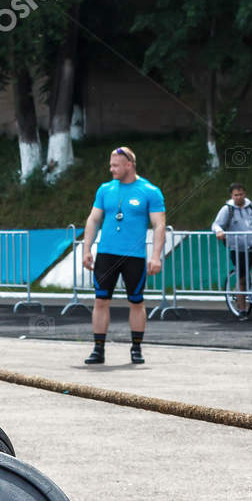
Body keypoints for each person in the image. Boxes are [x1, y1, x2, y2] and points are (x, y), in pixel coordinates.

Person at [79, 146, 165, 365]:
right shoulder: (105, 189)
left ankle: (136, 348)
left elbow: (159, 225)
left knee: (136, 302)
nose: (111, 169)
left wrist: (156, 256)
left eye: (115, 165)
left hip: (134, 256)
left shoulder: (150, 191)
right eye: (110, 165)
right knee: (100, 300)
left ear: (129, 165)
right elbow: (93, 219)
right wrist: (87, 248)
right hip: (106, 253)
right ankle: (98, 349)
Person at [211, 182, 252, 299]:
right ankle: (242, 310)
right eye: (236, 195)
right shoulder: (227, 209)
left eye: (241, 194)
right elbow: (216, 224)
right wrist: (218, 231)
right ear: (231, 196)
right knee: (242, 280)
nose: (239, 197)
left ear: (245, 194)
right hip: (239, 249)